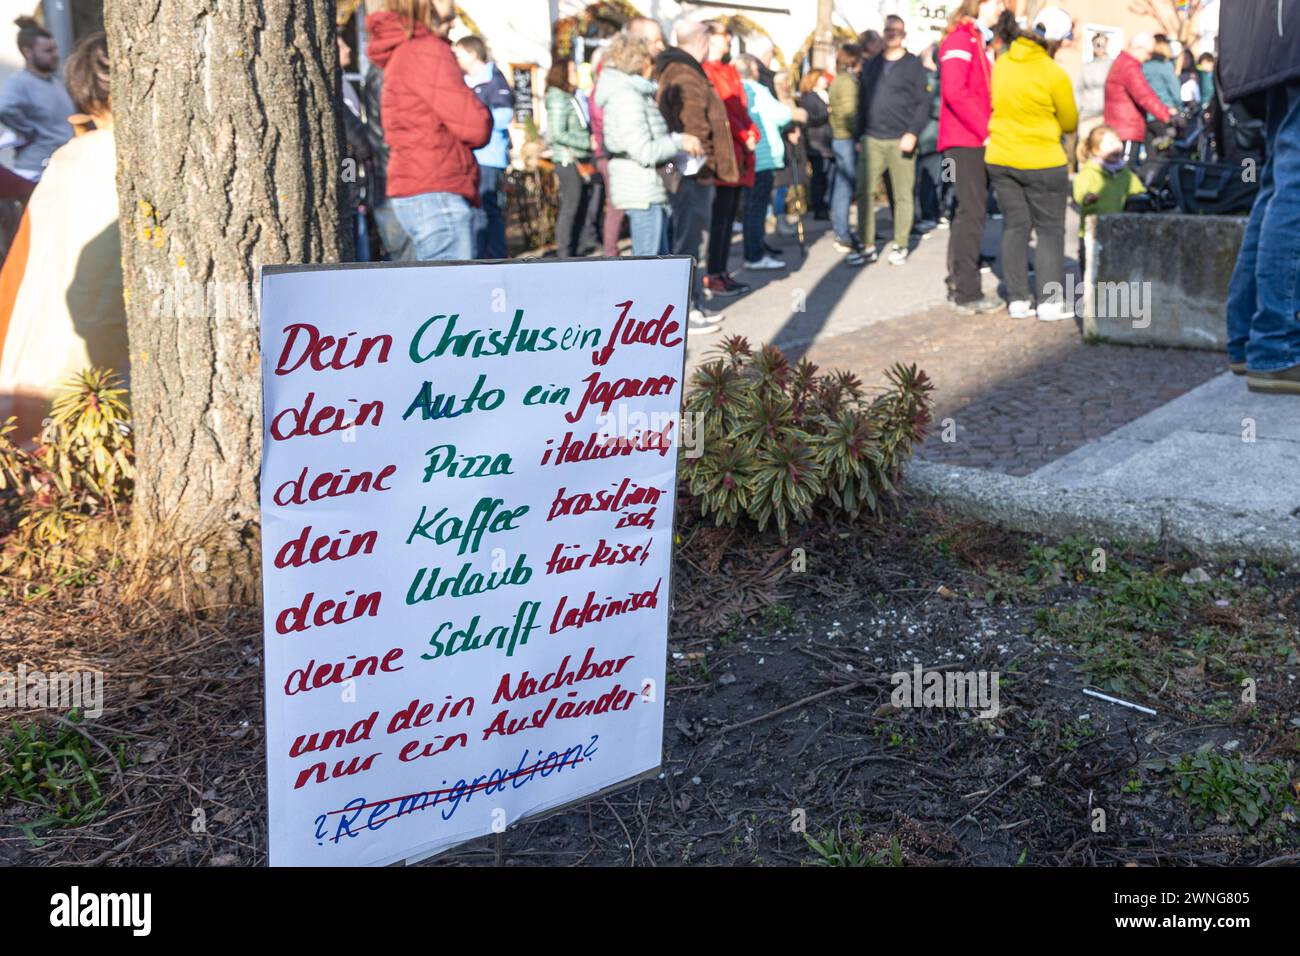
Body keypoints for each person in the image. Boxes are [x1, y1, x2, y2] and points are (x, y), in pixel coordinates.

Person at [0, 32, 122, 440]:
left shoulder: (72, 160)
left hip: (45, 373)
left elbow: (20, 270)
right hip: (100, 374)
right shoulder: (121, 157)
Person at [366, 0, 491, 261]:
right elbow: (475, 127)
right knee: (451, 296)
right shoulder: (427, 51)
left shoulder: (403, 51)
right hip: (437, 191)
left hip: (416, 187)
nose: (454, 23)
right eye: (448, 18)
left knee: (434, 293)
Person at [1221, 0, 1300, 394]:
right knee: (1293, 186)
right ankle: (1276, 346)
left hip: (1270, 46)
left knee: (1280, 184)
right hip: (1289, 37)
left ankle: (1248, 342)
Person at [985, 6, 1077, 321]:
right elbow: (1069, 120)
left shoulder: (1003, 63)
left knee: (1015, 227)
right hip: (1042, 160)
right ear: (1057, 40)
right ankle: (1049, 303)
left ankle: (1018, 299)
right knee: (1050, 230)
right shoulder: (1053, 73)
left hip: (1001, 156)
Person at [655, 17, 739, 332]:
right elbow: (693, 127)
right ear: (702, 41)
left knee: (689, 241)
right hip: (692, 174)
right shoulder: (684, 72)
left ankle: (692, 304)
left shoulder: (681, 69)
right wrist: (703, 169)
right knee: (689, 242)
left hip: (692, 173)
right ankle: (686, 311)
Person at [596, 34, 702, 258]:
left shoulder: (633, 94)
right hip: (641, 189)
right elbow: (643, 150)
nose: (654, 66)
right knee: (648, 264)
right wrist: (678, 141)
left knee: (655, 261)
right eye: (650, 60)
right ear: (640, 61)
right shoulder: (627, 97)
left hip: (647, 187)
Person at [939, 0, 1004, 315]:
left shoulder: (977, 40)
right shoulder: (961, 39)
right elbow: (955, 92)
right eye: (996, 3)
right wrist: (985, 129)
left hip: (972, 136)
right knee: (972, 214)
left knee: (969, 213)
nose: (1001, 8)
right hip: (967, 139)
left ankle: (959, 281)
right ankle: (966, 291)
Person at [856, 15, 929, 265]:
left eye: (896, 31)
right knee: (864, 192)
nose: (891, 35)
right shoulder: (872, 64)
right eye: (887, 30)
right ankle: (866, 244)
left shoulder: (913, 65)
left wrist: (913, 132)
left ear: (904, 34)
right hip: (872, 137)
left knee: (902, 194)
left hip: (901, 138)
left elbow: (923, 103)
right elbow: (862, 100)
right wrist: (859, 134)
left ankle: (900, 243)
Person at [701, 20, 757, 298]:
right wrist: (743, 131)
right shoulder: (707, 71)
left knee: (727, 214)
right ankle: (713, 273)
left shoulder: (729, 70)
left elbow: (741, 107)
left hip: (739, 149)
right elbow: (721, 110)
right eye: (725, 36)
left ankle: (721, 271)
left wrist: (750, 131)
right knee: (719, 218)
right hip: (724, 151)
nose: (728, 41)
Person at [453, 35, 513, 259]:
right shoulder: (466, 81)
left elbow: (504, 115)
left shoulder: (494, 80)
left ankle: (494, 258)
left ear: (472, 53)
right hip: (472, 156)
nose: (455, 57)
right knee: (477, 211)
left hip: (489, 156)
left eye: (459, 53)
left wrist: (475, 127)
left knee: (488, 210)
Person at [0, 17, 74, 181]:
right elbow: (5, 108)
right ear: (28, 52)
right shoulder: (19, 82)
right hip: (35, 170)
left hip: (62, 167)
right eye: (47, 51)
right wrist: (29, 130)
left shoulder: (56, 83)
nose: (55, 55)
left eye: (54, 49)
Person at [736, 54, 790, 272]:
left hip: (749, 154)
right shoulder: (757, 90)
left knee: (752, 206)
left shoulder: (736, 89)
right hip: (762, 154)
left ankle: (756, 248)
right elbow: (782, 115)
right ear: (752, 69)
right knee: (756, 208)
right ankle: (755, 254)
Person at [1072, 124, 1145, 273]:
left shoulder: (1123, 172)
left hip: (1117, 231)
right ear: (1095, 150)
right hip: (1091, 233)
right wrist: (1087, 199)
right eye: (1110, 144)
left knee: (1115, 273)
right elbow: (1080, 194)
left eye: (1117, 141)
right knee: (1091, 273)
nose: (1116, 146)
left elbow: (1137, 190)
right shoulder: (1089, 172)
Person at [545, 58, 597, 258]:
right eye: (573, 71)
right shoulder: (558, 98)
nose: (576, 75)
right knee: (571, 208)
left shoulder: (570, 96)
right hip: (568, 160)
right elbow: (558, 133)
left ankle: (574, 251)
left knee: (581, 207)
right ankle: (565, 254)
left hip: (579, 157)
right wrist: (586, 142)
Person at [1103, 33, 1173, 170]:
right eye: (1148, 53)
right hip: (1126, 127)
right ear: (1138, 48)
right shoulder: (1129, 66)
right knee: (1122, 171)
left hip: (1120, 125)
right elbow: (1144, 95)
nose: (1149, 57)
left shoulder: (1122, 61)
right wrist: (1167, 116)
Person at [827, 44, 864, 263]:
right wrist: (856, 136)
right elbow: (850, 113)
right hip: (846, 138)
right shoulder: (848, 82)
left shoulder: (838, 80)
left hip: (839, 137)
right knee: (845, 187)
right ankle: (842, 233)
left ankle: (840, 230)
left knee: (841, 186)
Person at [912, 44, 949, 234]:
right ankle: (929, 213)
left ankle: (940, 210)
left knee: (946, 176)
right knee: (931, 178)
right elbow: (934, 107)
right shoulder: (930, 80)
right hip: (930, 138)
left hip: (941, 138)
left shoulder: (938, 79)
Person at [798, 69, 832, 221]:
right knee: (819, 176)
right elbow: (809, 119)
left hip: (828, 140)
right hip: (816, 142)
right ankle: (819, 207)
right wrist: (828, 112)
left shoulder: (826, 94)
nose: (825, 80)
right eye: (822, 77)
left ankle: (826, 205)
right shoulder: (808, 98)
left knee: (829, 176)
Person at [1075, 33, 1112, 153]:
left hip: (1105, 116)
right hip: (1087, 116)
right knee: (1084, 148)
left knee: (1102, 149)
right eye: (1097, 44)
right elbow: (1078, 90)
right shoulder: (1086, 68)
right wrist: (1079, 108)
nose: (1099, 47)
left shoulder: (1112, 66)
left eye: (1102, 44)